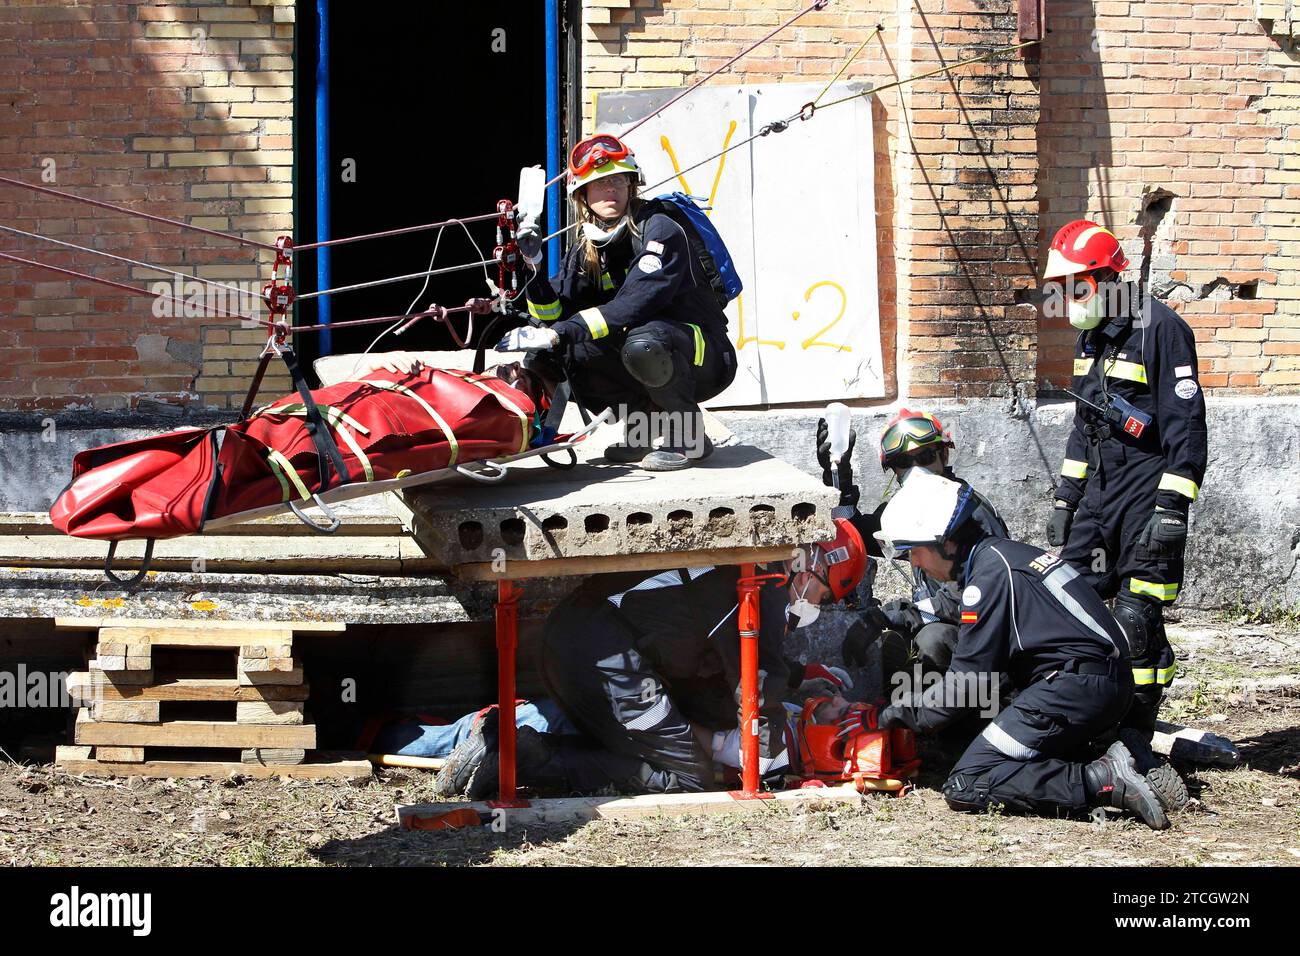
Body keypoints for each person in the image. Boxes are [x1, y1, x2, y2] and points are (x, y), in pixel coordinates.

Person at [842, 467, 1175, 829]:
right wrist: (887, 617)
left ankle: (1102, 778)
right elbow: (955, 612)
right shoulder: (1002, 558)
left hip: (1074, 688)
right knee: (984, 718)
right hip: (1098, 684)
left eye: (915, 552)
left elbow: (965, 685)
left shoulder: (988, 579)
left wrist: (887, 716)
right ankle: (1120, 751)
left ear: (947, 543)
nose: (915, 563)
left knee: (966, 783)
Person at [444, 519, 868, 799]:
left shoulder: (751, 563)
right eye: (821, 595)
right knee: (688, 778)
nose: (812, 607)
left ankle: (517, 746)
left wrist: (795, 679)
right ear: (812, 561)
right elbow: (751, 689)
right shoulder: (766, 584)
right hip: (604, 654)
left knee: (654, 747)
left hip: (581, 642)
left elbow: (727, 659)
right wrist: (780, 738)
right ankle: (520, 761)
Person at [1042, 220, 1208, 736]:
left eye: (1076, 286)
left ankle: (1137, 728)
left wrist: (1173, 508)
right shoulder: (1092, 339)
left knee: (1137, 616)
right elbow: (1082, 423)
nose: (1068, 298)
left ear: (1108, 278)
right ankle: (1087, 711)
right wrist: (1066, 500)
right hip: (1099, 496)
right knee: (1069, 600)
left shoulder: (1161, 329)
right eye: (1063, 289)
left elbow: (1186, 427)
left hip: (1146, 498)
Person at [492, 132, 738, 471]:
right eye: (600, 183)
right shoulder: (588, 246)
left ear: (631, 185)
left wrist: (559, 332)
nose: (611, 189)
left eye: (619, 180)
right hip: (653, 346)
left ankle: (690, 439)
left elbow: (633, 304)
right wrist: (531, 269)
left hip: (705, 356)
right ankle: (641, 432)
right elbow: (554, 312)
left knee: (642, 341)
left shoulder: (660, 229)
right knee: (559, 352)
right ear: (582, 195)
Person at [823, 409, 1007, 676]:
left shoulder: (970, 513)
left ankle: (959, 711)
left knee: (931, 638)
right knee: (890, 644)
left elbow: (975, 598)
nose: (916, 470)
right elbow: (857, 537)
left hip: (978, 627)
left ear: (944, 455)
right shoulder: (909, 510)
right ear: (893, 470)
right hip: (935, 617)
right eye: (903, 462)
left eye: (925, 457)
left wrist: (897, 615)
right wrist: (839, 483)